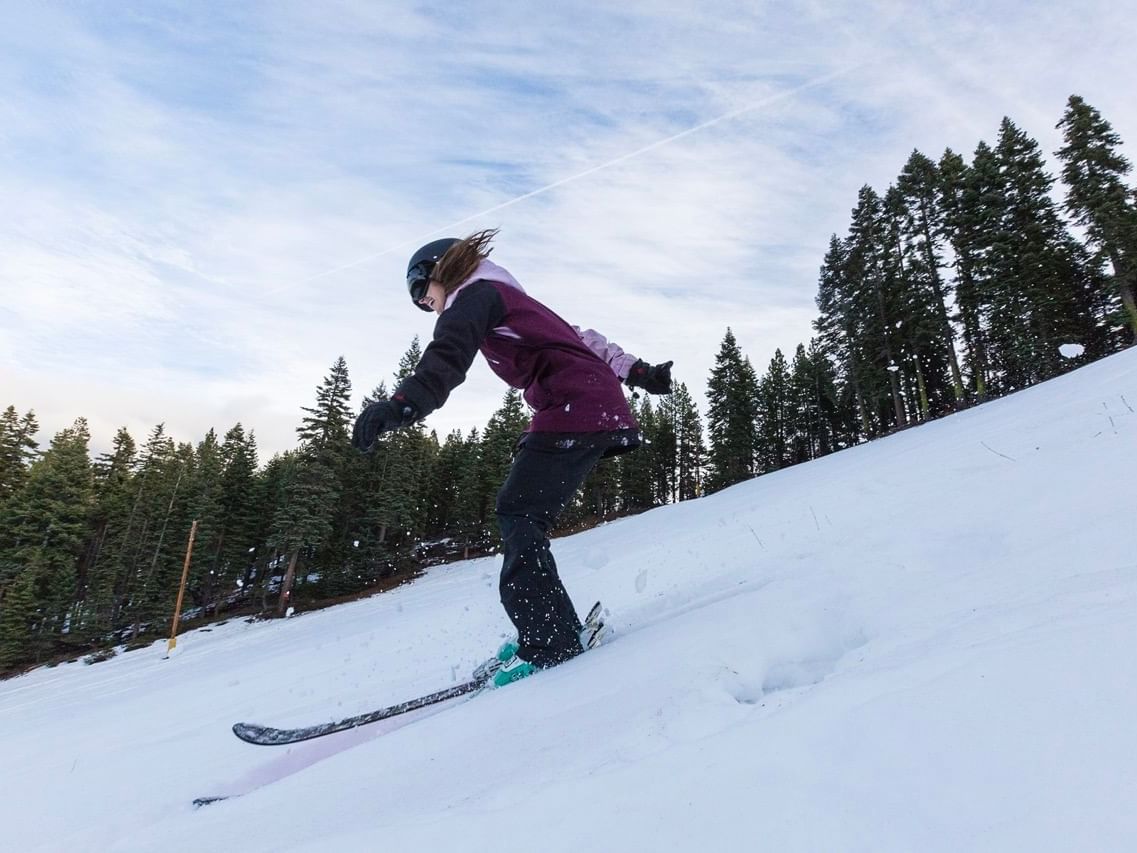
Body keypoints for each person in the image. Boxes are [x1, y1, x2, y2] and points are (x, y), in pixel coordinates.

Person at [352, 229, 673, 687]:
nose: (425, 304)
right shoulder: (509, 300)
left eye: (422, 292)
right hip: (585, 404)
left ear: (442, 270)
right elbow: (584, 339)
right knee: (523, 510)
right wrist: (638, 372)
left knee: (519, 512)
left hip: (575, 405)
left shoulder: (476, 296)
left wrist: (403, 404)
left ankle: (551, 640)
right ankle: (546, 630)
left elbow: (447, 355)